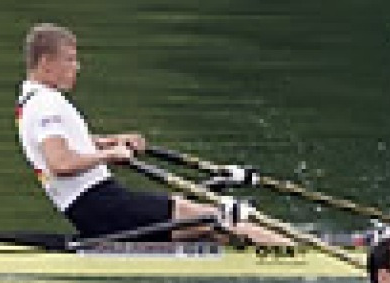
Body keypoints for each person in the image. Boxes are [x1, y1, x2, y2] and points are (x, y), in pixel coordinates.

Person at [16, 23, 289, 245]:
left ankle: (263, 255)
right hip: (104, 207)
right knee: (219, 217)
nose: (77, 67)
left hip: (99, 208)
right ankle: (297, 256)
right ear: (46, 63)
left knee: (203, 225)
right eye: (70, 59)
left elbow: (69, 144)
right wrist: (110, 155)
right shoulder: (45, 104)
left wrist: (110, 142)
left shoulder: (35, 101)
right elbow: (60, 163)